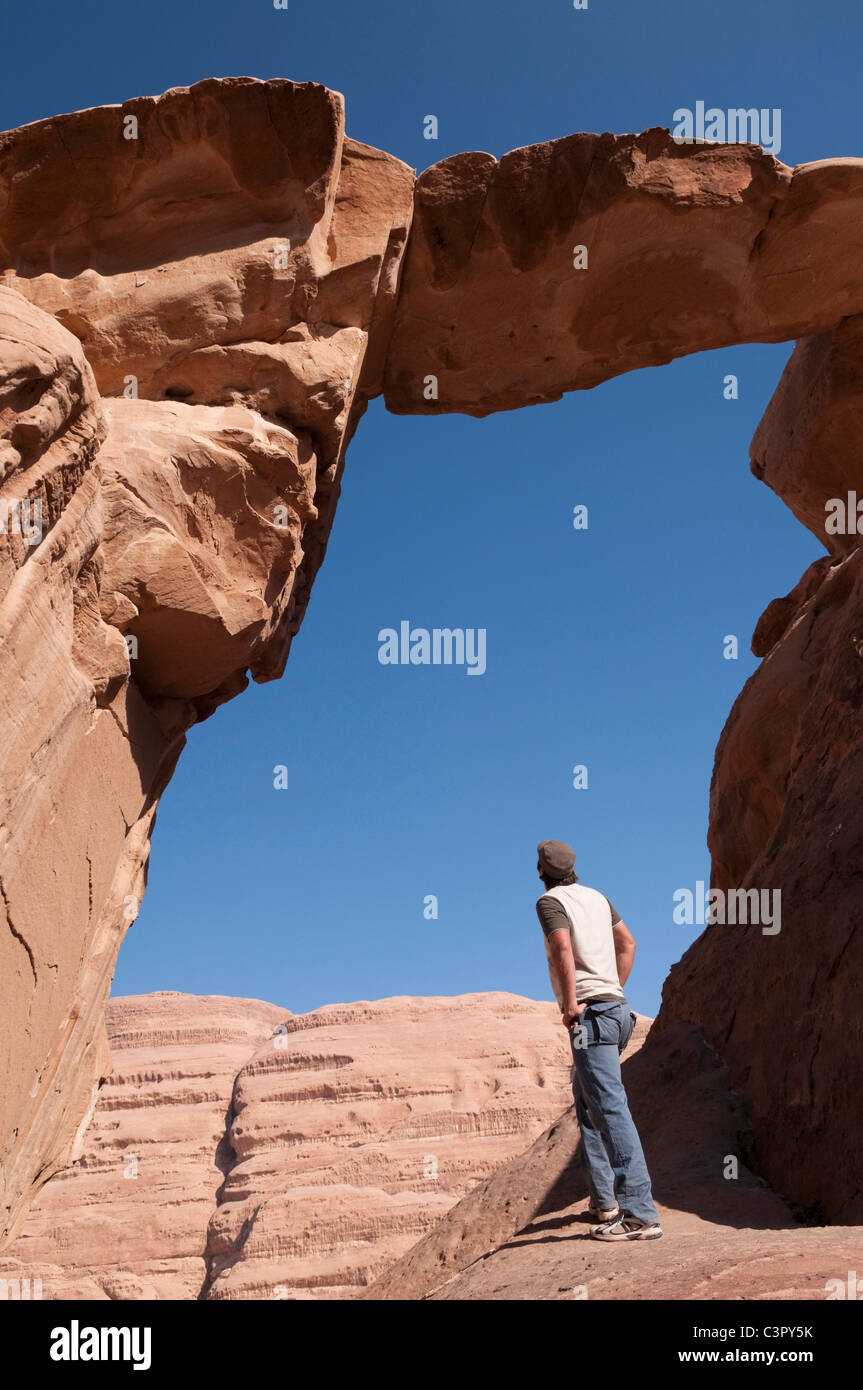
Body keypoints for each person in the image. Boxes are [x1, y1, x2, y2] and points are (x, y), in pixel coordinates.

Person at [535, 838, 662, 1241]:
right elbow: (629, 943)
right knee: (588, 1104)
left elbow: (561, 948)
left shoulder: (550, 902)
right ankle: (604, 1201)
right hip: (617, 1012)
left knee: (610, 1110)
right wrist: (614, 989)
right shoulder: (598, 897)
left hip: (592, 1017)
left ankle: (640, 1214)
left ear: (541, 872)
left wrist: (573, 1004)